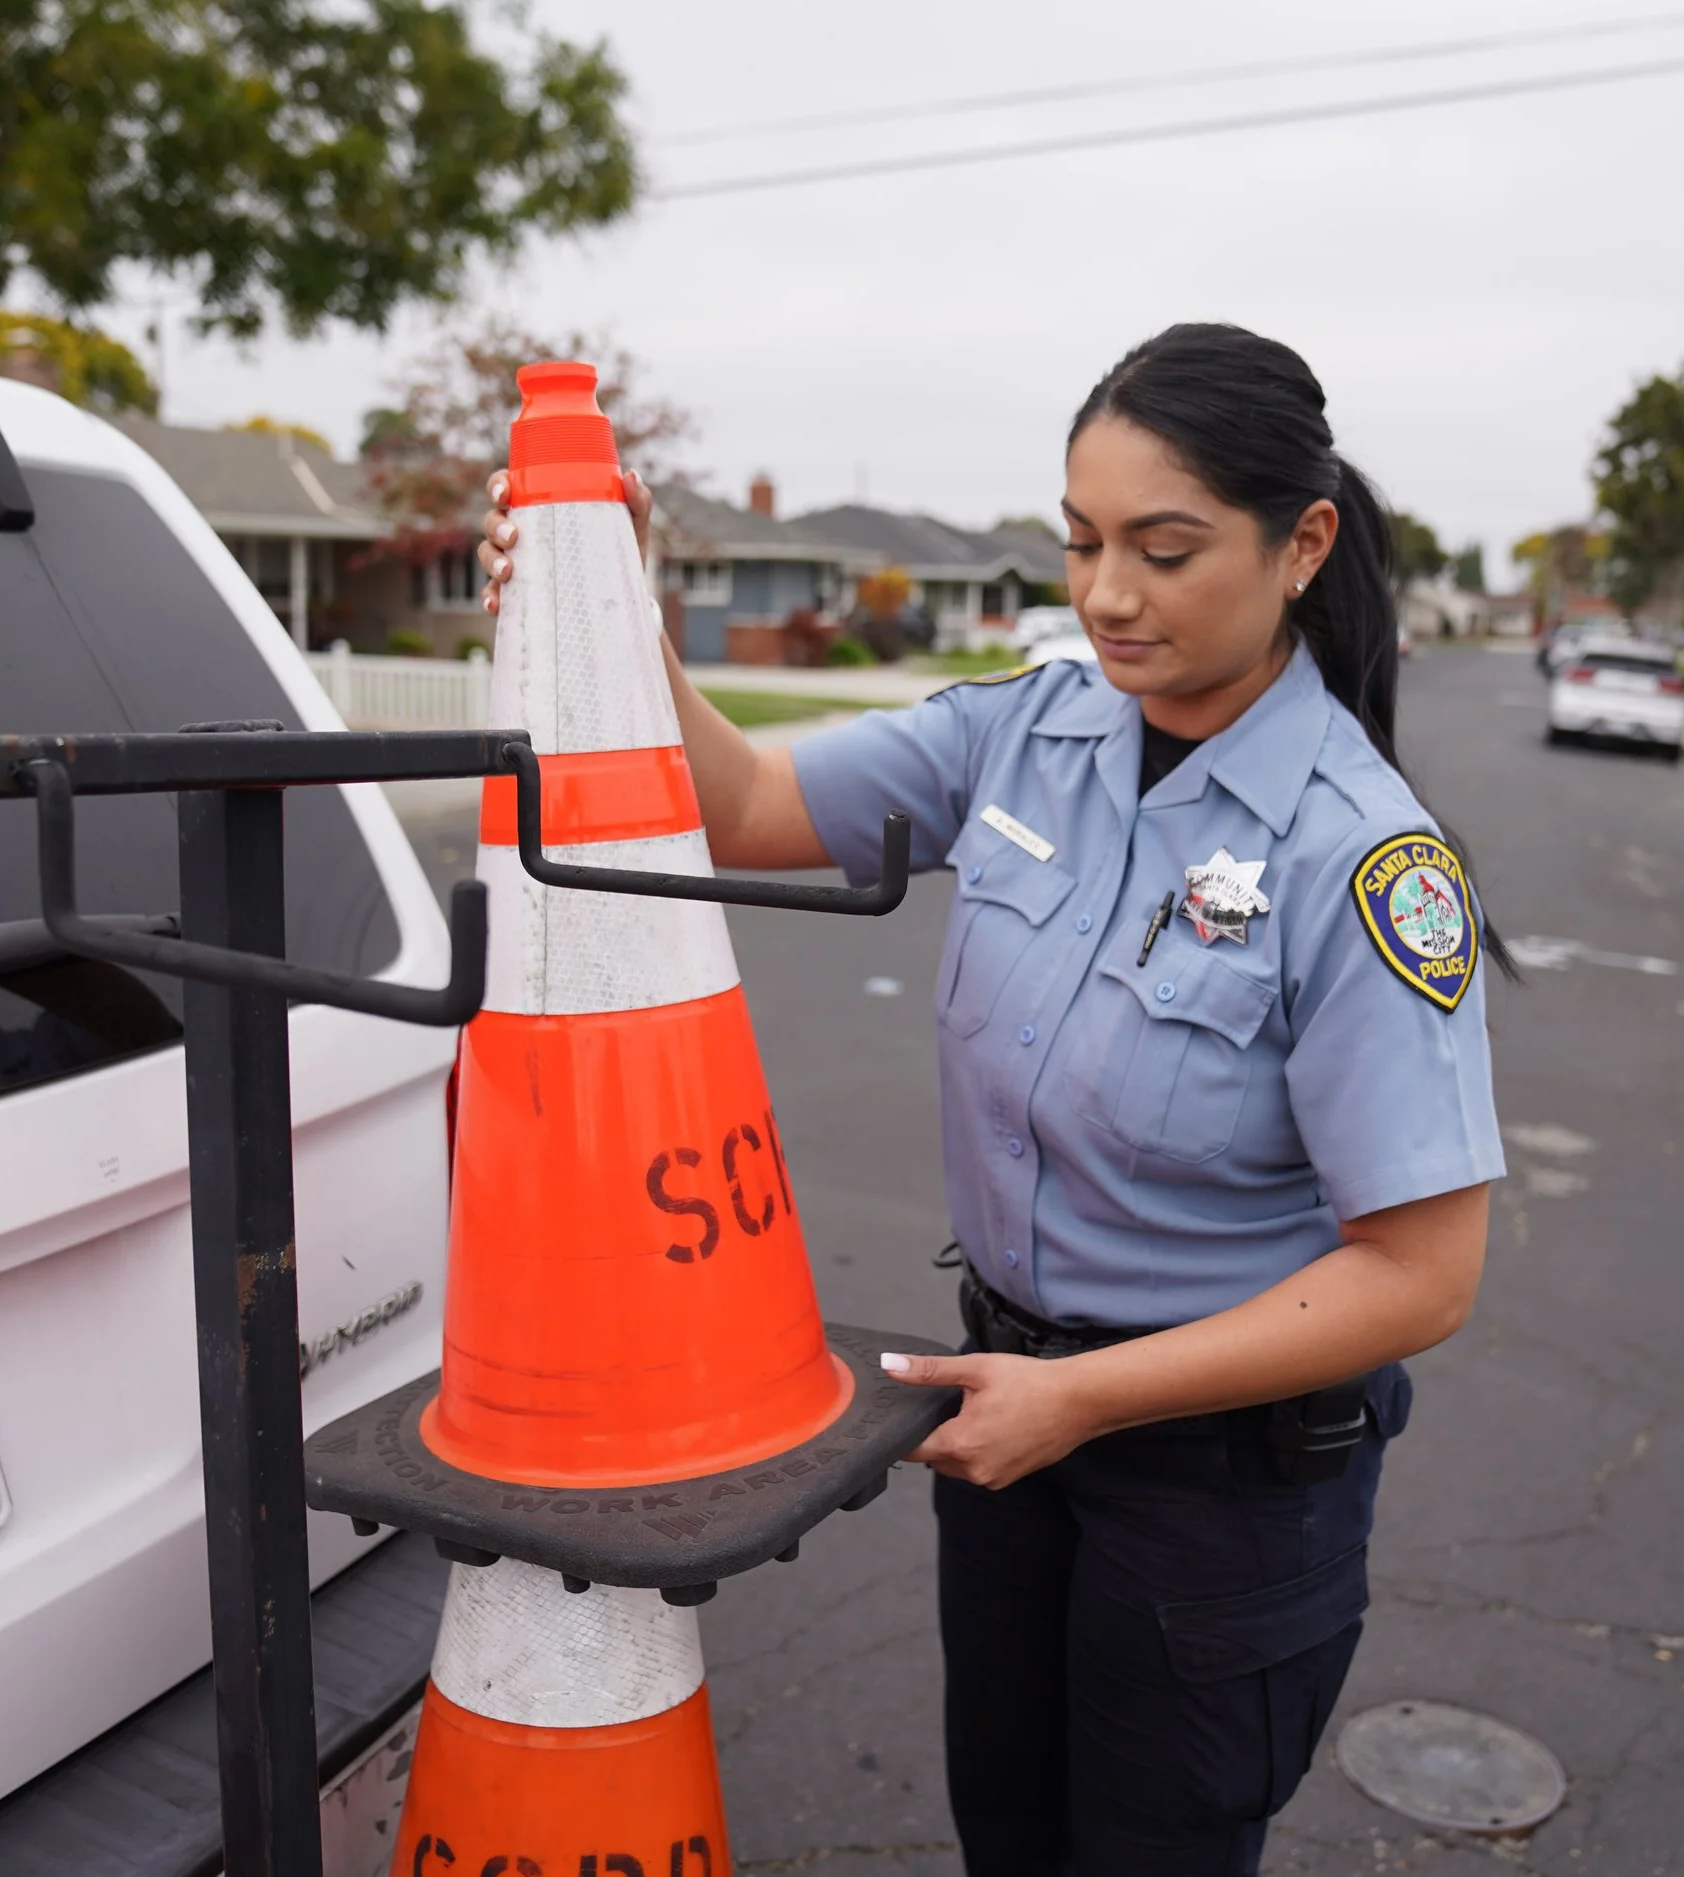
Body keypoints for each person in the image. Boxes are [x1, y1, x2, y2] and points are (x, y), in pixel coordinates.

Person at [479, 323, 1506, 1874]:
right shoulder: (1026, 735)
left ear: (1302, 545)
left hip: (1214, 1484)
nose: (1109, 594)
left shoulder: (1362, 858)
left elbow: (1422, 1276)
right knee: (1009, 1836)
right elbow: (740, 803)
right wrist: (613, 608)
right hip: (1009, 1427)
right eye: (1083, 542)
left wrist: (1084, 1401)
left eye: (1165, 550)